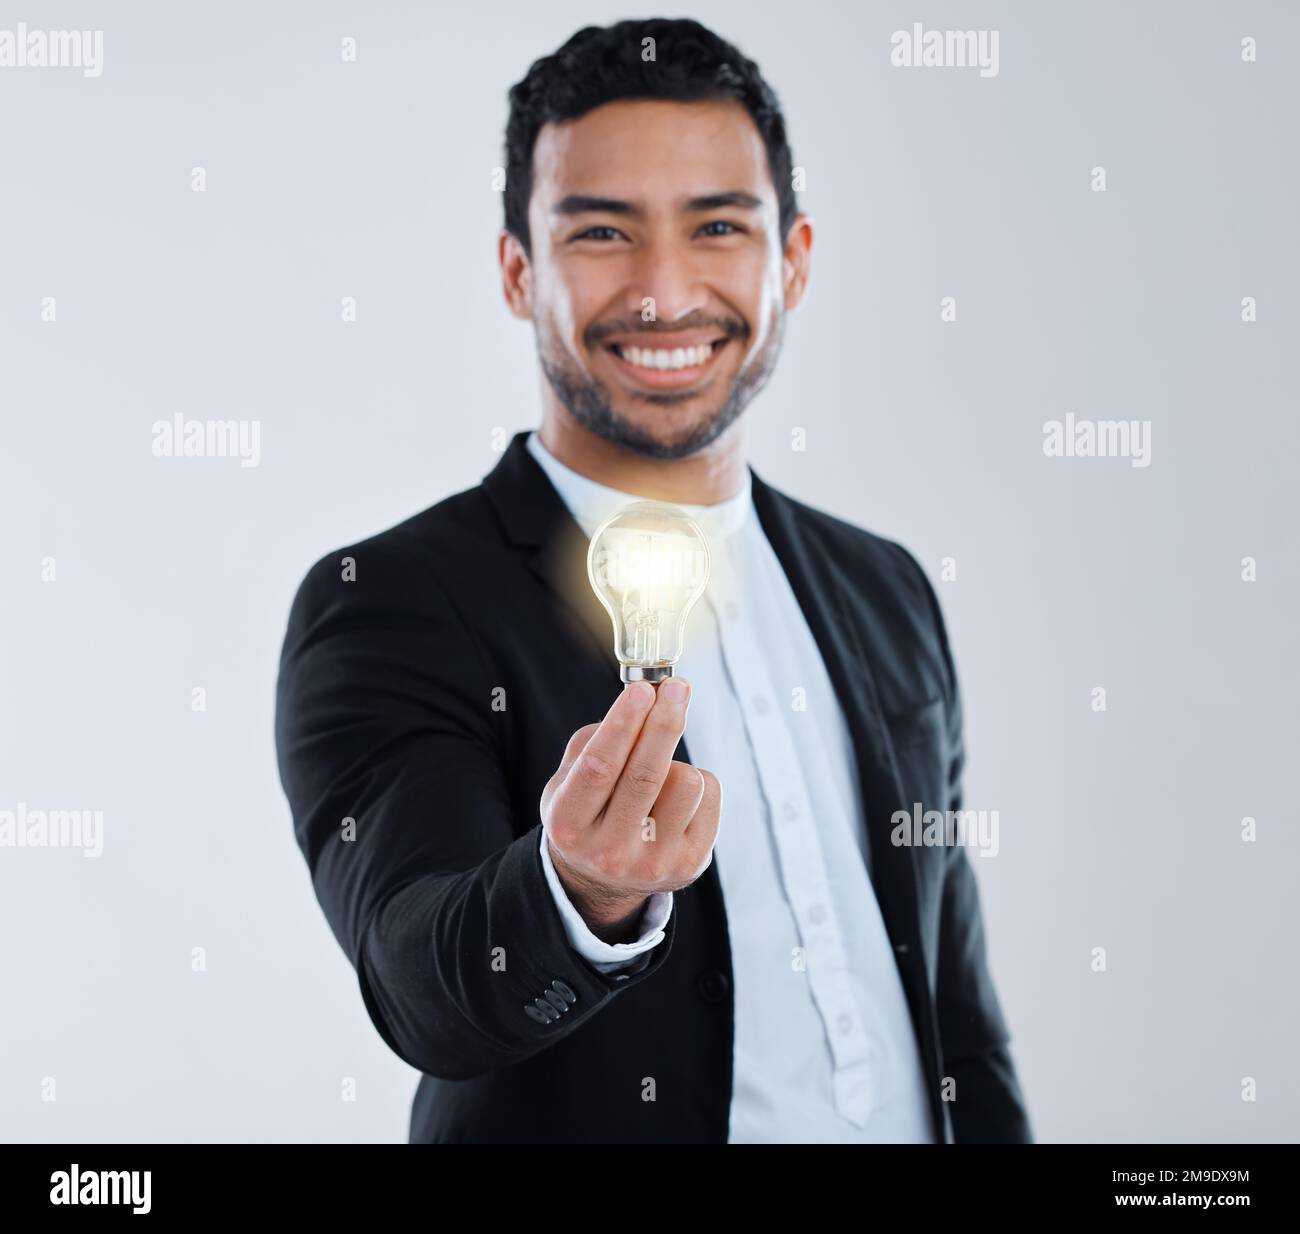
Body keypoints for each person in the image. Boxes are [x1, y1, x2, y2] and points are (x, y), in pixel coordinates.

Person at [275, 16, 1031, 1144]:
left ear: (795, 259)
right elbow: (418, 976)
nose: (664, 292)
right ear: (516, 270)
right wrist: (575, 895)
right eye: (601, 234)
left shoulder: (888, 590)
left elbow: (955, 1002)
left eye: (718, 225)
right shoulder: (386, 599)